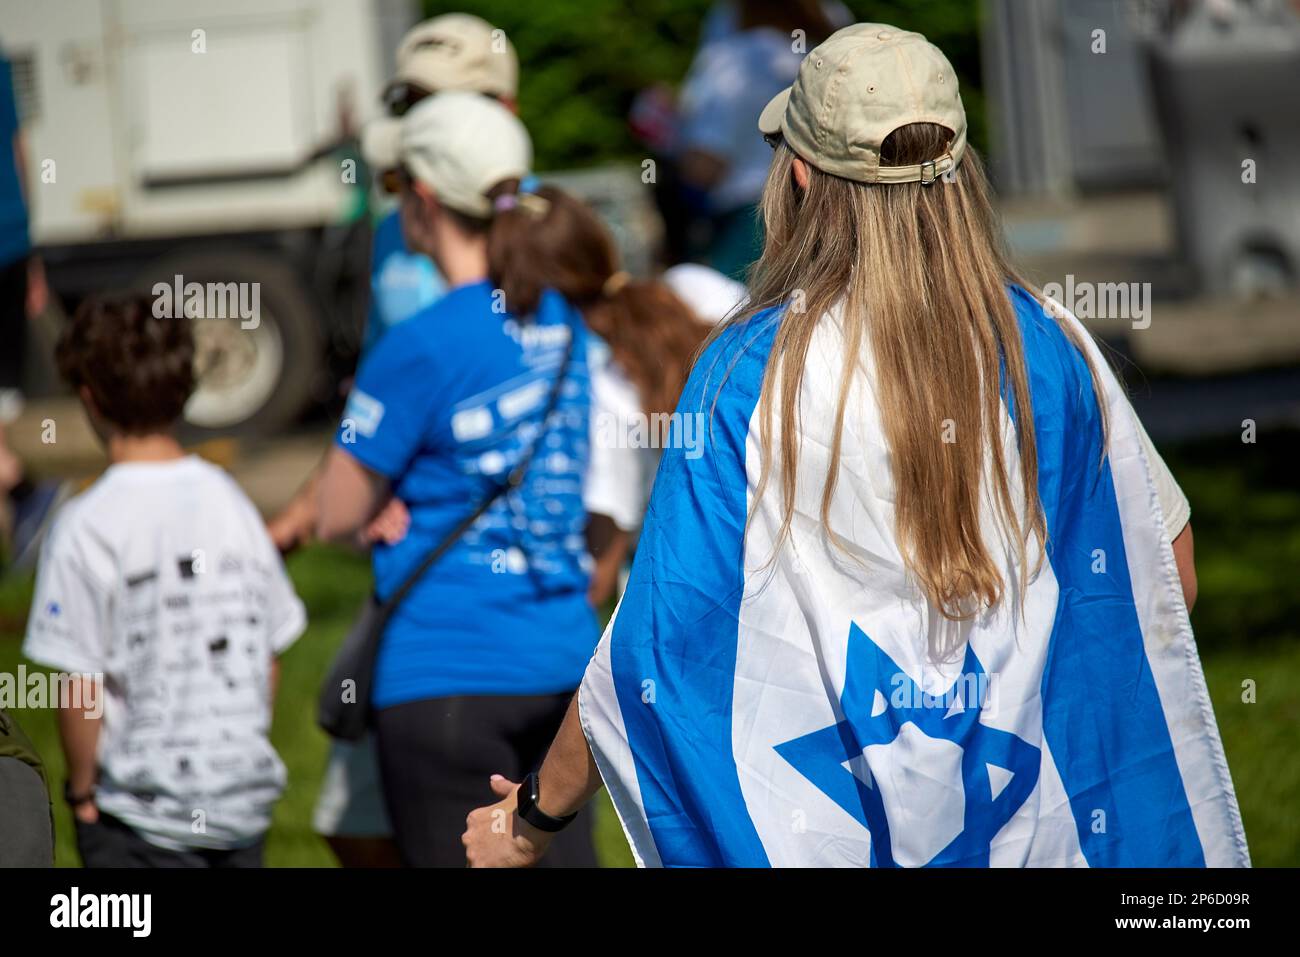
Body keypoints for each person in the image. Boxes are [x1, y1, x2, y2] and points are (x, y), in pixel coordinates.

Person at [462, 24, 1249, 868]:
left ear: (800, 174)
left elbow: (658, 644)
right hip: (1046, 834)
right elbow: (1163, 573)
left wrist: (530, 819)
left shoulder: (750, 373)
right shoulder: (1053, 345)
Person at [314, 91, 599, 868]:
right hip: (568, 673)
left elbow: (336, 513)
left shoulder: (419, 343)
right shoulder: (565, 321)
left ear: (425, 202)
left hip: (444, 676)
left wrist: (385, 490)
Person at [263, 13, 520, 869]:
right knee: (359, 814)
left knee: (463, 813)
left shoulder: (531, 235)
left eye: (430, 111)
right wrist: (315, 504)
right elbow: (379, 399)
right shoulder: (392, 233)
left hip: (464, 574)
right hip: (401, 555)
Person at [23, 292, 305, 867]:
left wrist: (81, 791)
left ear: (90, 399)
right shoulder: (232, 502)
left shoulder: (83, 523)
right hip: (239, 808)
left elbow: (80, 687)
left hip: (138, 818)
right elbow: (268, 651)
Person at [674, 0, 834, 279]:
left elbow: (704, 164)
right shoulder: (826, 58)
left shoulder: (731, 61)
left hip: (748, 226)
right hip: (823, 212)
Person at [0, 45, 59, 571]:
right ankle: (27, 502)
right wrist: (29, 244)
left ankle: (24, 494)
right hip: (11, 241)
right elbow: (21, 152)